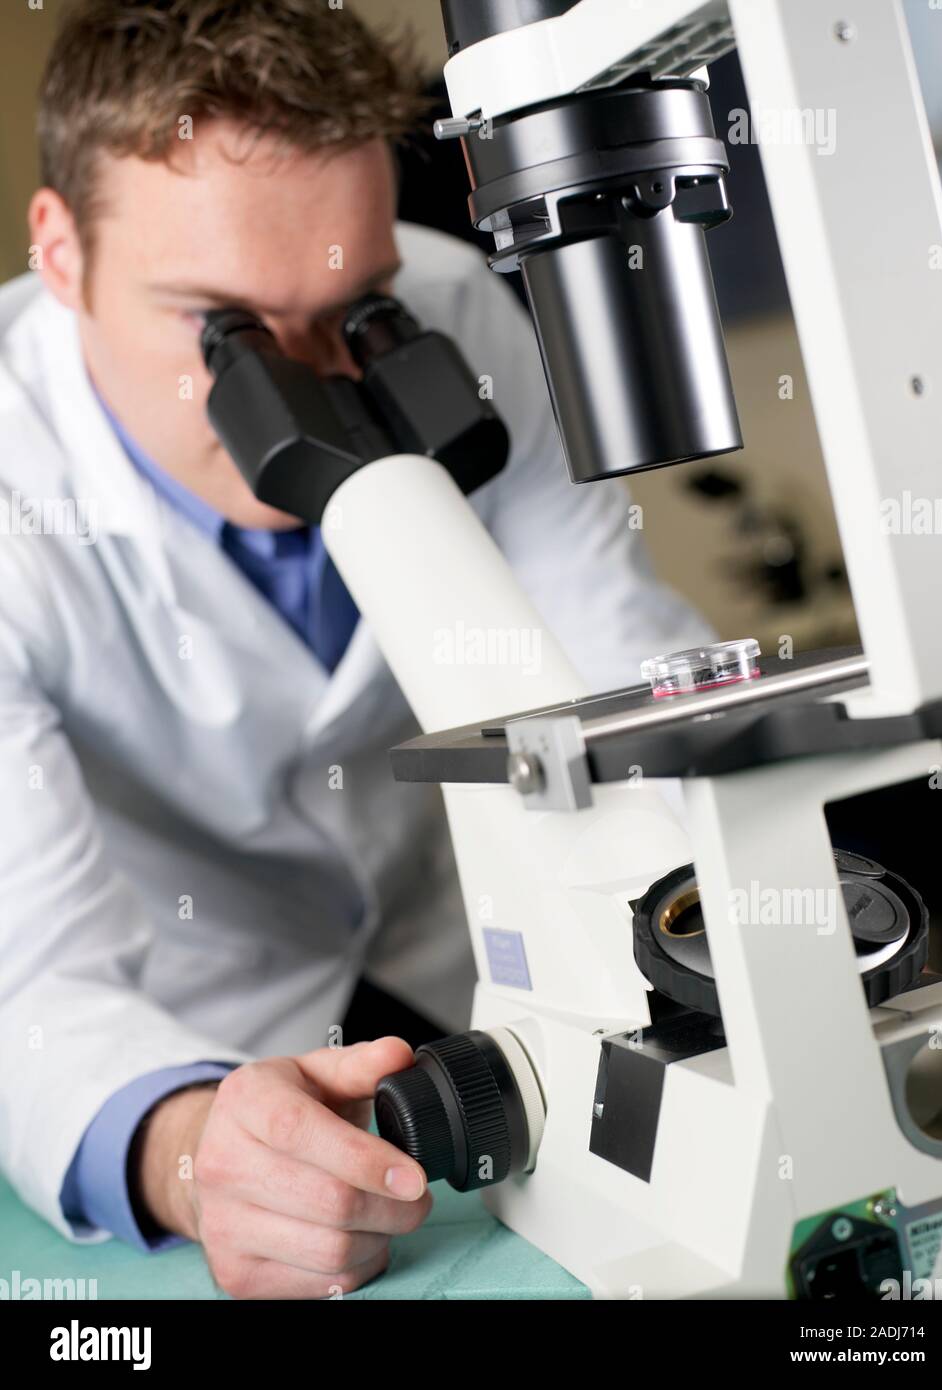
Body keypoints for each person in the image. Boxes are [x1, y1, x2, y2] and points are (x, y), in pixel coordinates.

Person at [0, 0, 710, 1299]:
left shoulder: (453, 308)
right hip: (197, 1020)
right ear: (60, 249)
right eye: (222, 328)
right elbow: (29, 978)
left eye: (356, 309)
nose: (309, 389)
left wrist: (736, 909)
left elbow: (618, 671)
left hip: (478, 948)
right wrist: (192, 1147)